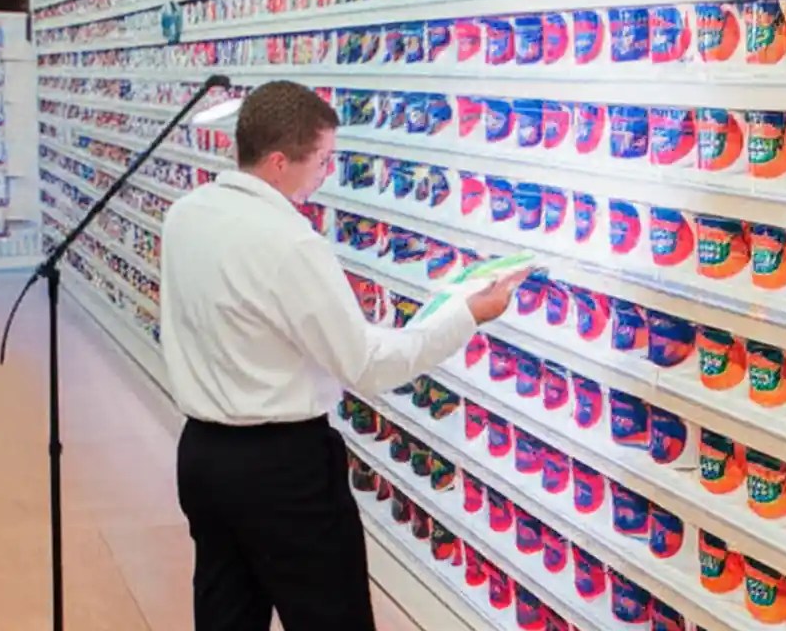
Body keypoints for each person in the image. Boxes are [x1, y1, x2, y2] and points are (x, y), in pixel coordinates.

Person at [159, 80, 527, 630]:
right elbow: (365, 365)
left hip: (204, 455)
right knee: (333, 617)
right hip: (283, 470)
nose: (327, 173)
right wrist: (466, 315)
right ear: (281, 162)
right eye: (324, 160)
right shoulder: (289, 241)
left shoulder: (186, 214)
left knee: (225, 611)